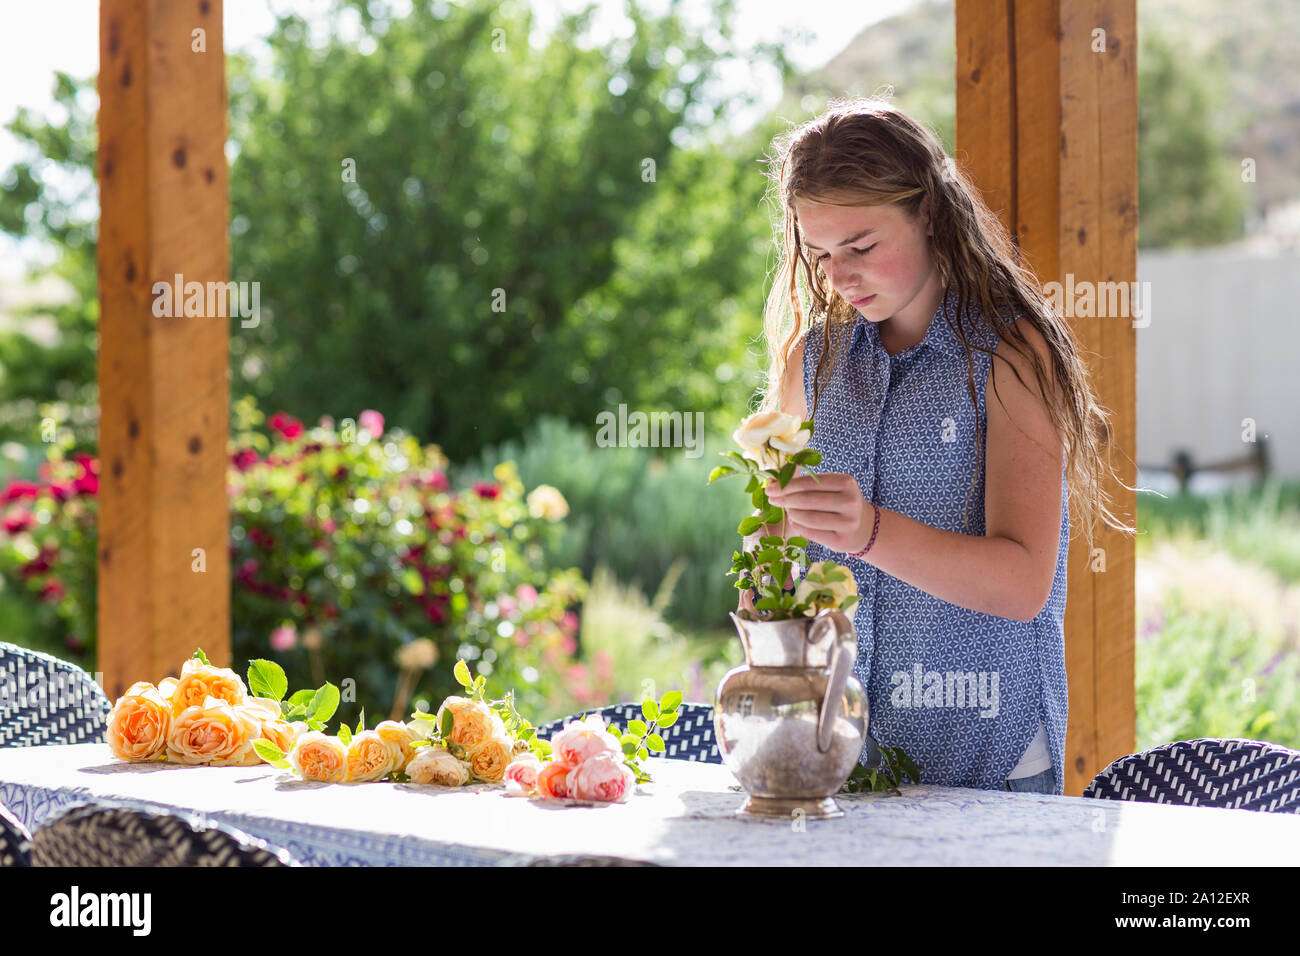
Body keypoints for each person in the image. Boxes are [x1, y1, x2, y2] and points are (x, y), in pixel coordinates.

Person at [737, 96, 1136, 795]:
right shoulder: (814, 359)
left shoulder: (1009, 355)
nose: (841, 276)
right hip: (840, 756)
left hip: (990, 758)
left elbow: (1022, 585)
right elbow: (773, 534)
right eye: (821, 253)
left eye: (861, 246)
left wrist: (867, 533)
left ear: (928, 212)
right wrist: (763, 569)